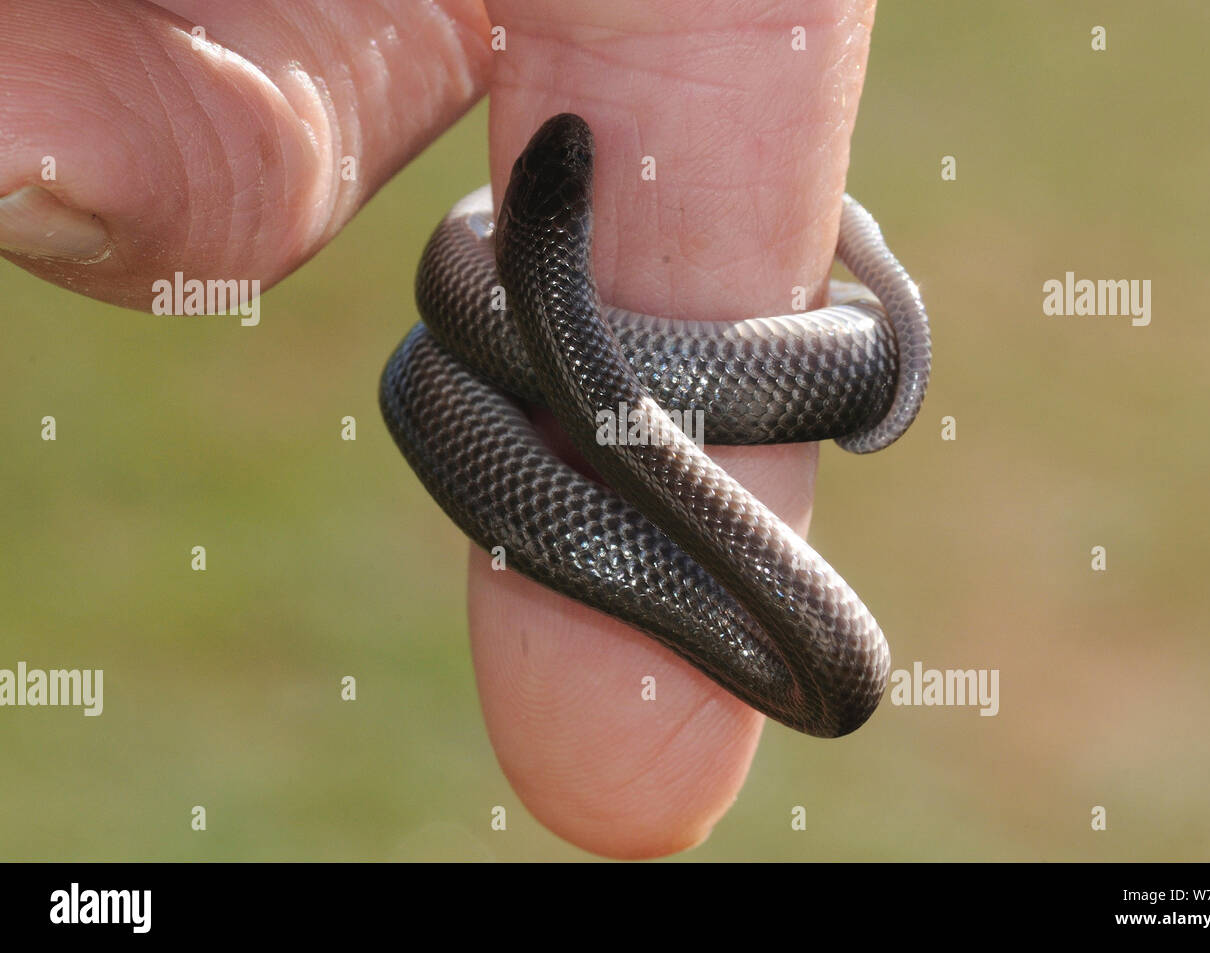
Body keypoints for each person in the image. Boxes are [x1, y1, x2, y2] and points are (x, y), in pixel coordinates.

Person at [0, 0, 881, 859]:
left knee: (436, 364)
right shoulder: (507, 288)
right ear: (563, 231)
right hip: (493, 343)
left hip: (501, 340)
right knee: (432, 366)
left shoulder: (513, 282)